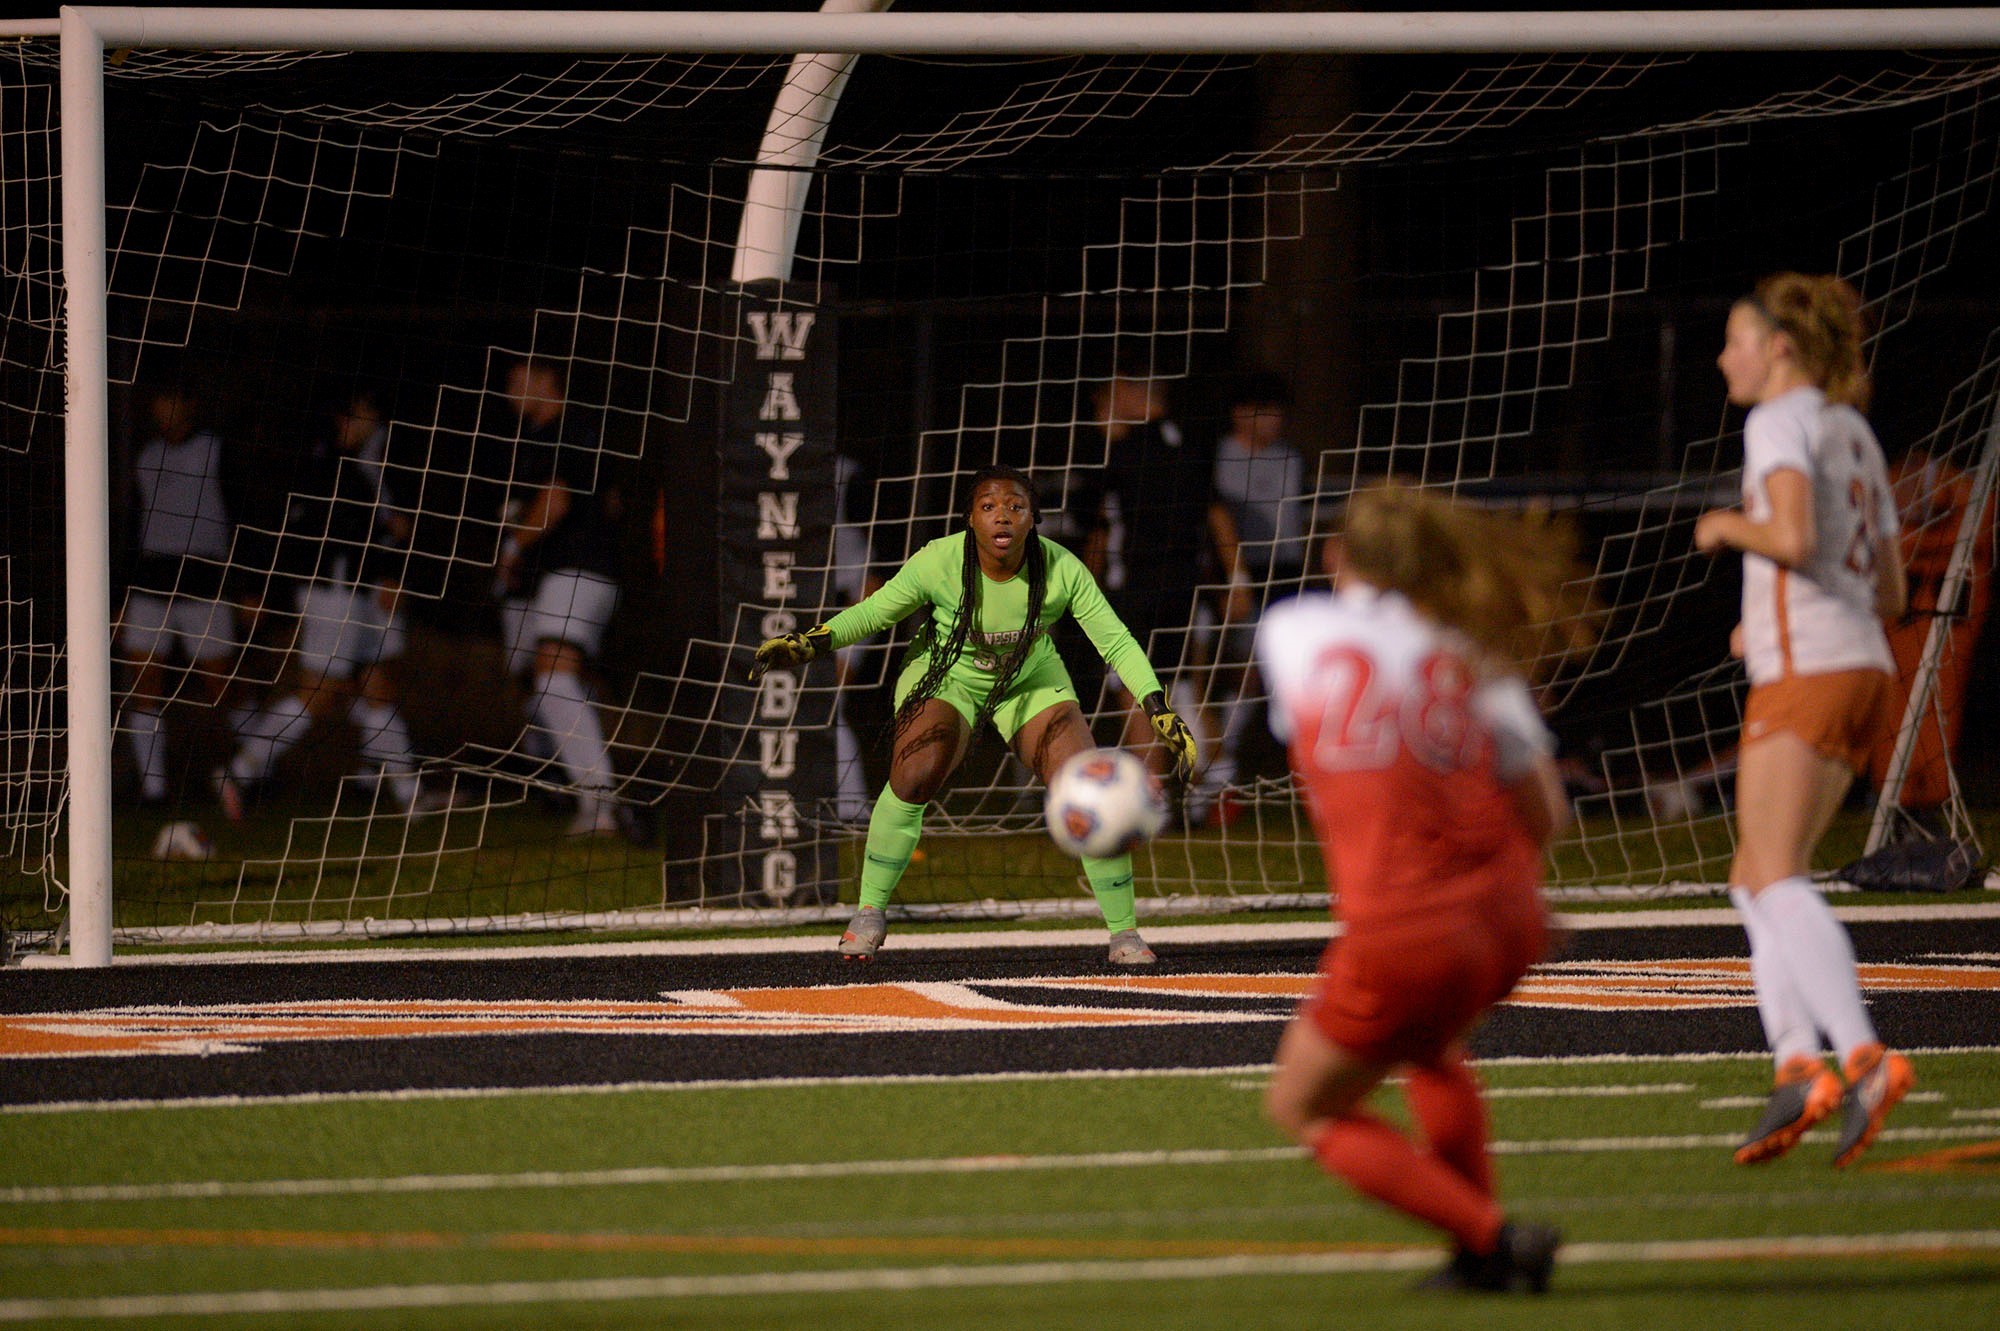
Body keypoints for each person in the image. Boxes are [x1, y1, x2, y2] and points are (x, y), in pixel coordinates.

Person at [1255, 481, 1592, 1295]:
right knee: (1430, 1047)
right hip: (1509, 914)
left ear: (1339, 558)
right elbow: (1545, 811)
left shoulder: (1293, 629)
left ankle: (1494, 1235)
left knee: (1306, 1105)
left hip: (1406, 924)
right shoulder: (1473, 649)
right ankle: (1480, 1259)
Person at [752, 464, 1198, 966]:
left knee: (1087, 782)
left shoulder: (1062, 567)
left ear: (1034, 519)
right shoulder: (939, 561)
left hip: (1029, 681)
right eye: (988, 507)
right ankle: (870, 911)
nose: (1002, 516)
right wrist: (810, 644)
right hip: (947, 678)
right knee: (915, 773)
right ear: (970, 519)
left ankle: (1124, 934)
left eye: (1015, 507)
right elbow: (874, 612)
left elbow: (1115, 641)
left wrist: (1157, 706)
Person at [1693, 271, 1915, 1169]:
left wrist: (1723, 526)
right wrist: (1771, 612)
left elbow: (1785, 536)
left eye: (1736, 338)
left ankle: (1861, 1055)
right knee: (1756, 877)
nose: (1724, 356)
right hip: (1864, 660)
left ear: (1778, 346)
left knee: (1774, 874)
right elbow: (1894, 589)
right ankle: (1794, 1066)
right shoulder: (1852, 430)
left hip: (1813, 669)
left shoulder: (1776, 421)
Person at [212, 388, 430, 819]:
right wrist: (390, 546)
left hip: (354, 592)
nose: (353, 424)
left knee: (375, 684)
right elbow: (336, 534)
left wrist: (391, 553)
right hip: (333, 592)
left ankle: (409, 793)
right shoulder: (331, 467)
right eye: (350, 416)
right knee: (319, 692)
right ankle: (242, 769)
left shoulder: (360, 462)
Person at [489, 355, 632, 839]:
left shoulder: (565, 430)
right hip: (567, 575)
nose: (510, 390)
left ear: (548, 379)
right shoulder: (544, 436)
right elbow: (608, 501)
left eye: (518, 378)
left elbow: (555, 502)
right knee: (549, 684)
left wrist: (512, 545)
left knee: (552, 679)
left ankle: (601, 802)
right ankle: (574, 784)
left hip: (577, 571)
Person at [1074, 359, 1227, 792]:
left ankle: (1152, 795)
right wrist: (1237, 578)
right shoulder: (1190, 444)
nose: (1099, 409)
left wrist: (1080, 593)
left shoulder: (1119, 453)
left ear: (1130, 395)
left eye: (1107, 397)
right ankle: (1217, 785)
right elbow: (1216, 513)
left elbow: (1100, 529)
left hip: (1135, 590)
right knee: (1180, 690)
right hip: (1185, 589)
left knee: (1136, 693)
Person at [115, 379, 243, 808]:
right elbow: (130, 525)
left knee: (222, 686)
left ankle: (244, 775)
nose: (164, 411)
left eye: (172, 399)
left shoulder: (216, 450)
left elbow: (244, 515)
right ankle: (153, 790)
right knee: (144, 685)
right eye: (158, 402)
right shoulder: (145, 456)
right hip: (151, 584)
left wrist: (249, 587)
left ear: (189, 402)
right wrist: (119, 594)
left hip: (206, 581)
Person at [1198, 370, 1312, 821]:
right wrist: (1232, 575)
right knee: (1222, 669)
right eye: (1265, 413)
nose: (1273, 423)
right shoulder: (1219, 457)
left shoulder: (1290, 458)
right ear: (1240, 414)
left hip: (1283, 572)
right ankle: (1213, 774)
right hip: (1235, 572)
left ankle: (1225, 773)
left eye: (1279, 415)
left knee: (1258, 674)